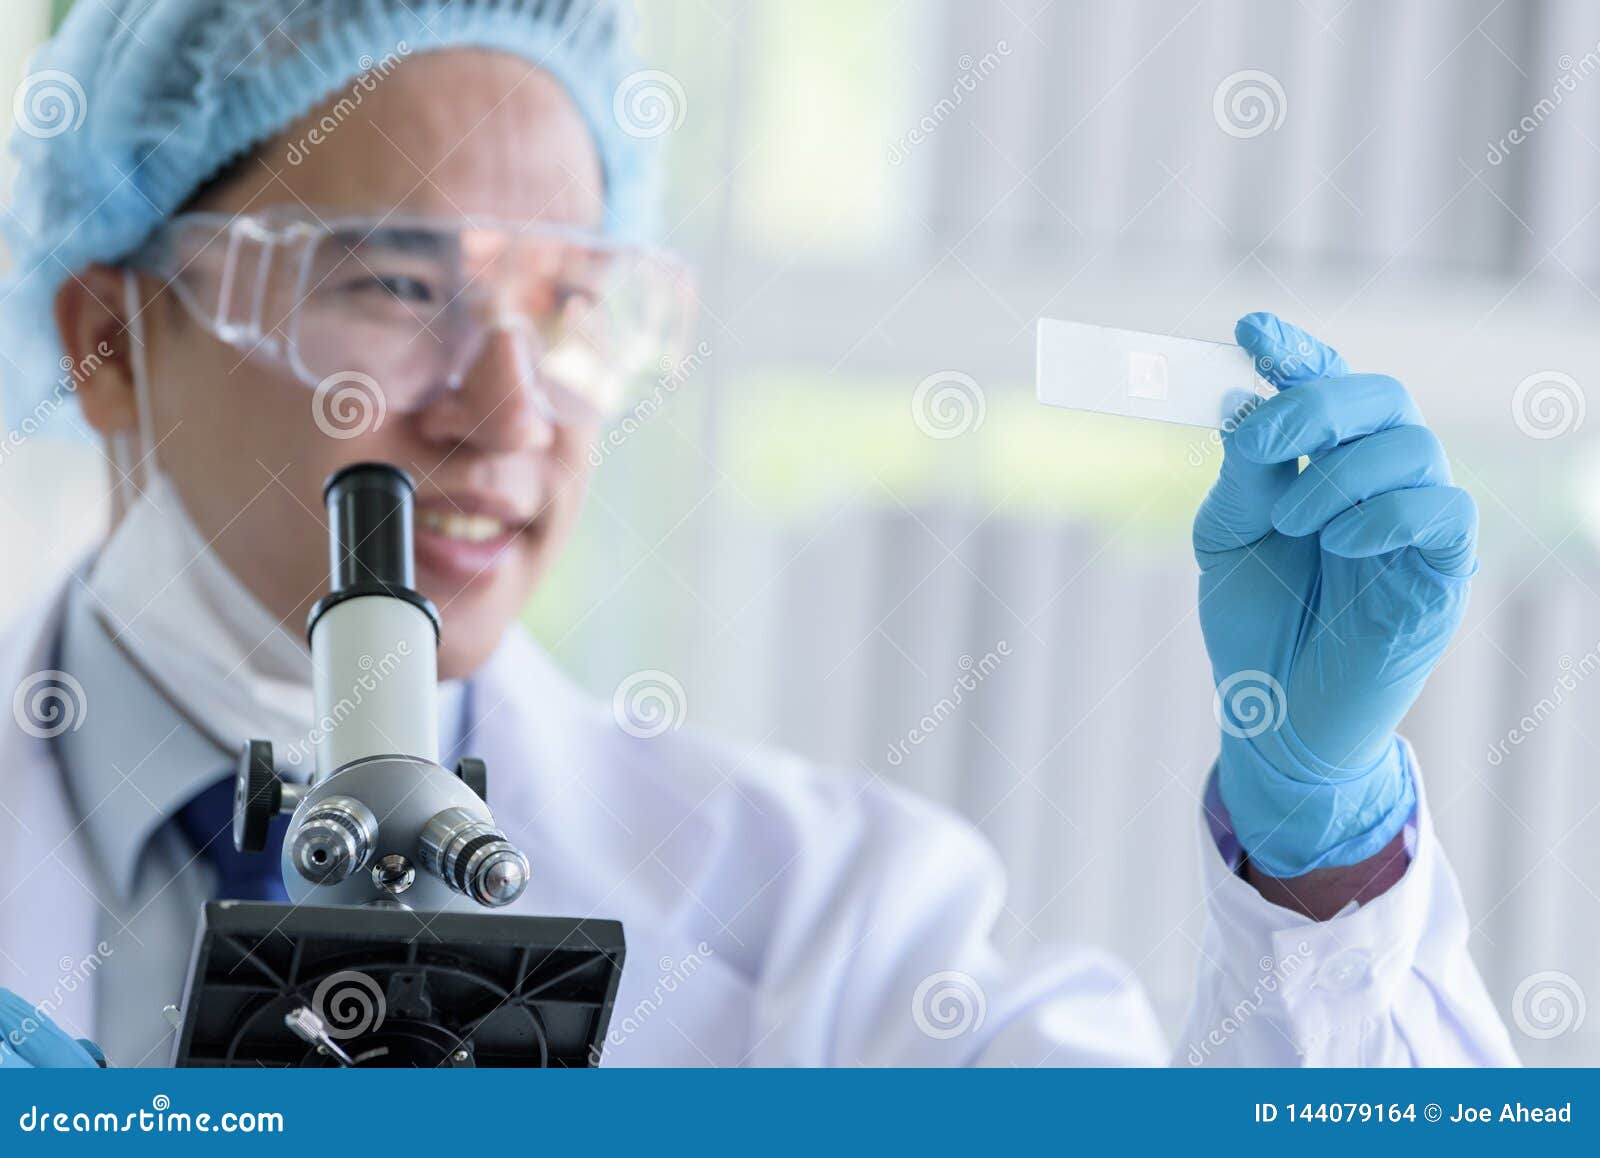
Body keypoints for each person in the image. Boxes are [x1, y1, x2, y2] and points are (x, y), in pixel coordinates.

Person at [0, 0, 1514, 1068]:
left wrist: (1324, 868)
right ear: (107, 339)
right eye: (397, 288)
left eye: (570, 306)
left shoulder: (821, 921)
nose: (511, 408)